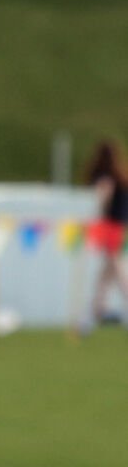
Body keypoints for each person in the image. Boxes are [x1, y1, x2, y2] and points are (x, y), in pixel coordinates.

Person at [84, 138, 128, 327]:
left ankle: (96, 308)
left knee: (115, 268)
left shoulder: (106, 177)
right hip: (120, 226)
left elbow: (103, 201)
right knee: (107, 271)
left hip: (110, 226)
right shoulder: (121, 176)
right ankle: (96, 308)